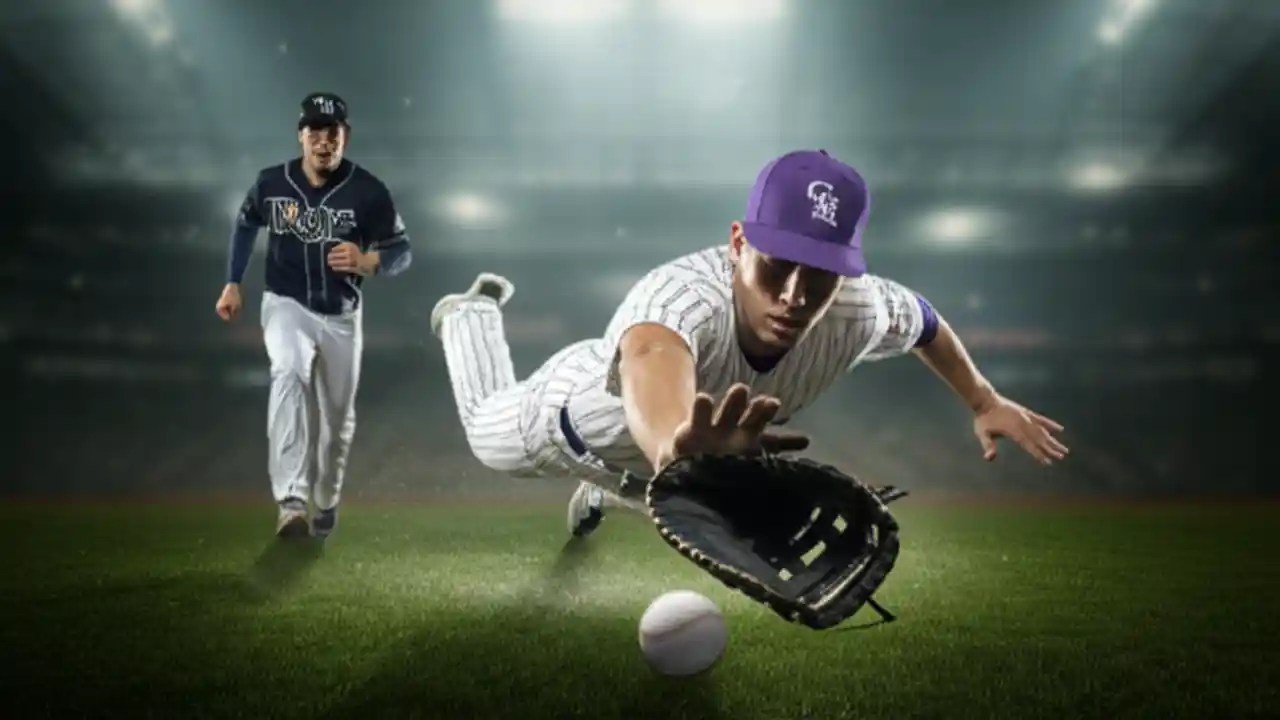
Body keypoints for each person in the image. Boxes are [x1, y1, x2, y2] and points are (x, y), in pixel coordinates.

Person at [429, 149, 1066, 537]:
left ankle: (614, 490)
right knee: (485, 431)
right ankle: (470, 315)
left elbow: (924, 320)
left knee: (687, 493)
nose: (794, 292)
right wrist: (677, 452)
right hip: (565, 421)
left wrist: (983, 401)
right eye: (777, 262)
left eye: (820, 272)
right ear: (738, 242)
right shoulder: (677, 301)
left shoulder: (857, 306)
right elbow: (653, 357)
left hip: (659, 466)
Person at [215, 92, 412, 539]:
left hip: (342, 315)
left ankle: (325, 499)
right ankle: (291, 501)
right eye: (315, 132)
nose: (324, 141)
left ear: (346, 136)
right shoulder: (272, 183)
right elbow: (246, 223)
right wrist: (233, 281)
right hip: (286, 303)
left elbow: (401, 252)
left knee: (338, 425)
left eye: (333, 132)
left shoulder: (368, 190)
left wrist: (367, 261)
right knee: (287, 373)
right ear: (301, 136)